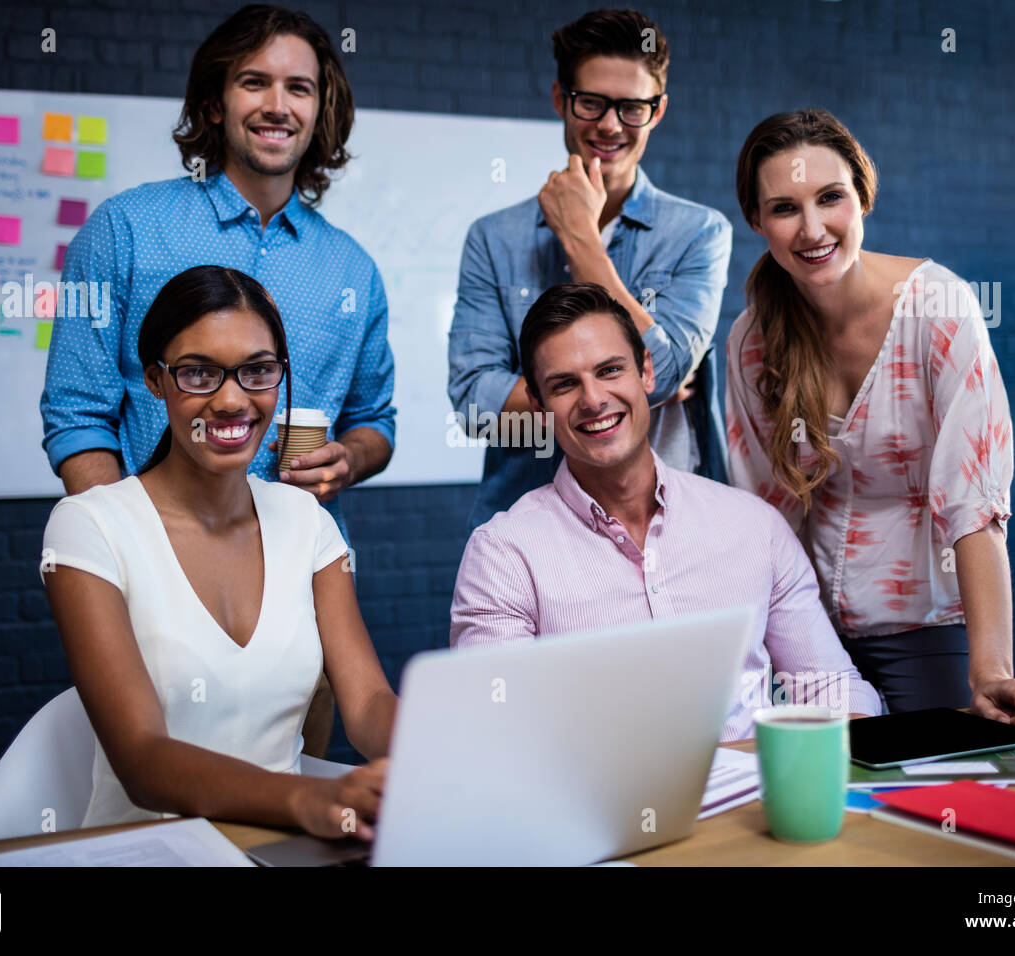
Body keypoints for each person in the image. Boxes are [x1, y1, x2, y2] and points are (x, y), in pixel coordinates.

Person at [40, 5, 394, 753]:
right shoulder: (125, 230)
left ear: (321, 108)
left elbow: (376, 422)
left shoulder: (352, 269)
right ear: (214, 101)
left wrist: (351, 456)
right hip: (152, 595)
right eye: (253, 82)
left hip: (301, 593)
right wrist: (134, 553)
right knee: (163, 791)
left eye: (299, 87)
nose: (277, 105)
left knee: (299, 800)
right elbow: (75, 412)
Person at [724, 108, 1015, 727]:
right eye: (783, 208)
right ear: (756, 221)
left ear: (863, 197)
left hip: (924, 623)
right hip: (808, 633)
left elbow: (975, 504)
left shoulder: (939, 308)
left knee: (936, 798)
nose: (811, 228)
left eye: (830, 198)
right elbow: (766, 516)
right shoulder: (751, 341)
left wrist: (990, 671)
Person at [41, 266, 397, 839]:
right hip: (148, 853)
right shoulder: (89, 528)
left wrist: (436, 751)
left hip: (284, 852)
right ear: (156, 381)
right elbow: (143, 759)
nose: (232, 400)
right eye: (199, 373)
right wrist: (307, 797)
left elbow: (368, 702)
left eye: (257, 371)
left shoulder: (307, 521)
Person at [450, 283, 880, 741]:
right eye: (564, 384)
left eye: (610, 370)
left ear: (647, 373)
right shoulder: (502, 553)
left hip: (752, 802)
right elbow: (497, 731)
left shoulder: (755, 527)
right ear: (538, 406)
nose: (593, 399)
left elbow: (828, 687)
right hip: (600, 806)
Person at [447, 8, 733, 533]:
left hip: (674, 526)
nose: (609, 124)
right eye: (592, 103)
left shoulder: (700, 232)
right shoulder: (494, 238)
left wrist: (582, 241)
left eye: (632, 108)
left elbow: (662, 372)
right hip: (530, 522)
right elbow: (473, 402)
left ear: (658, 110)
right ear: (561, 99)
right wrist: (630, 384)